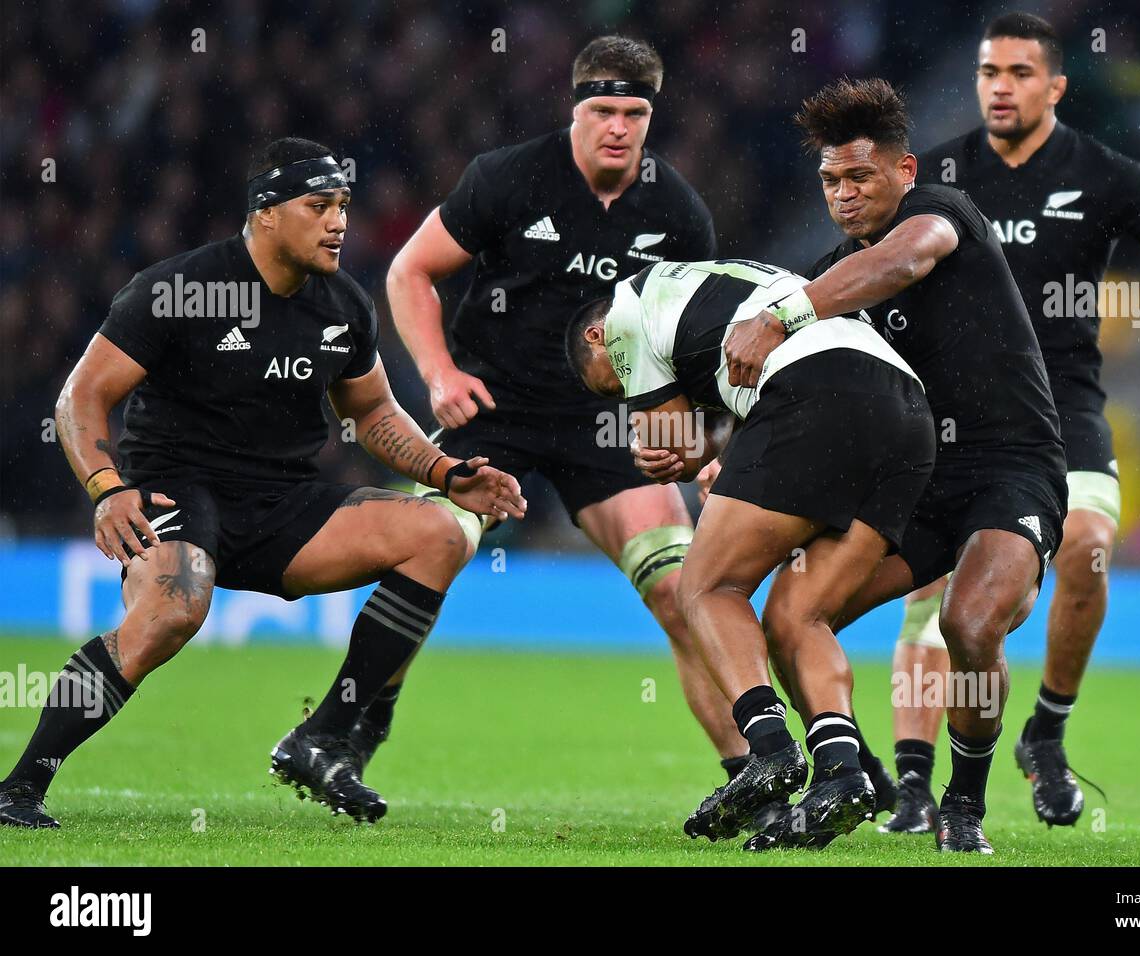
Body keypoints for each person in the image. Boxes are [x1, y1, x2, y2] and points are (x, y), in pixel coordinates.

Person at [0, 138, 525, 830]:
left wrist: (444, 472)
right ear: (266, 214)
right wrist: (106, 487)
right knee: (173, 612)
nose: (340, 222)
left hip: (282, 502)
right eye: (319, 206)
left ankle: (323, 737)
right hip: (173, 493)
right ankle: (20, 787)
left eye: (343, 205)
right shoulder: (181, 288)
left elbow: (370, 411)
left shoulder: (342, 303)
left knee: (436, 532)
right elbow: (82, 396)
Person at [880, 12, 1140, 834]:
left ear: (1056, 86)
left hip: (1062, 410)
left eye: (1020, 74)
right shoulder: (942, 174)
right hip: (951, 416)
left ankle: (1046, 734)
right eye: (990, 72)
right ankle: (915, 787)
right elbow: (881, 272)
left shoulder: (1107, 174)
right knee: (932, 596)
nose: (1000, 87)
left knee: (1089, 550)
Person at [381, 36, 747, 782]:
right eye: (604, 109)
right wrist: (438, 372)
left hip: (609, 425)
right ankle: (349, 734)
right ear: (575, 109)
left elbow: (688, 345)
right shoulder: (509, 178)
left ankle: (751, 772)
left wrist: (704, 451)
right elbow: (410, 270)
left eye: (635, 113)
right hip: (492, 409)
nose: (619, 126)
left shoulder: (677, 211)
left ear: (651, 117)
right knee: (424, 552)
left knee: (684, 591)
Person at [725, 77, 1066, 852]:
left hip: (1012, 469)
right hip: (912, 483)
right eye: (830, 182)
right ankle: (858, 776)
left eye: (859, 177)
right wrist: (728, 456)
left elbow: (908, 262)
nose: (843, 195)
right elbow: (794, 392)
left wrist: (785, 312)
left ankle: (965, 806)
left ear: (905, 171)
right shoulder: (830, 272)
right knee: (788, 619)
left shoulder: (937, 213)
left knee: (970, 621)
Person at [567, 258, 934, 849]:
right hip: (907, 413)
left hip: (812, 394)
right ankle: (842, 772)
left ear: (596, 336)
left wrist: (661, 454)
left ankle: (769, 751)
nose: (624, 392)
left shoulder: (624, 313)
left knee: (707, 588)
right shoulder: (716, 285)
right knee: (799, 617)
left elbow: (675, 444)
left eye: (615, 386)